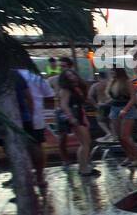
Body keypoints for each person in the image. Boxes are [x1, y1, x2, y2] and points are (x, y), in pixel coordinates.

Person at [55, 61, 100, 177]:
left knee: (85, 143)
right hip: (74, 116)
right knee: (85, 143)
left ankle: (84, 166)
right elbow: (64, 105)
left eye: (73, 75)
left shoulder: (76, 89)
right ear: (65, 79)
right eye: (69, 76)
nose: (72, 77)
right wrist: (71, 118)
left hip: (79, 115)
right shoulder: (66, 90)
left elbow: (82, 102)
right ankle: (83, 168)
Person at [16, 62, 54, 190]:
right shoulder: (35, 76)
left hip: (11, 118)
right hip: (36, 117)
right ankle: (39, 177)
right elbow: (49, 96)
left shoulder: (5, 75)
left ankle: (23, 180)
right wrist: (45, 112)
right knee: (36, 145)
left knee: (15, 148)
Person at [107, 67, 137, 168]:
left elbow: (133, 98)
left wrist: (125, 110)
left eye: (113, 71)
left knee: (125, 136)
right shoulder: (112, 82)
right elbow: (113, 97)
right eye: (111, 71)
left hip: (127, 109)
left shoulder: (127, 82)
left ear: (118, 72)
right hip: (114, 109)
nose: (111, 73)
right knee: (119, 137)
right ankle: (129, 157)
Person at [88, 70, 115, 142]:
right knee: (111, 120)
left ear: (99, 77)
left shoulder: (95, 85)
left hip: (101, 105)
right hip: (110, 104)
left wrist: (95, 105)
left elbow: (89, 96)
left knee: (100, 121)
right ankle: (114, 135)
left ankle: (109, 133)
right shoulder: (110, 84)